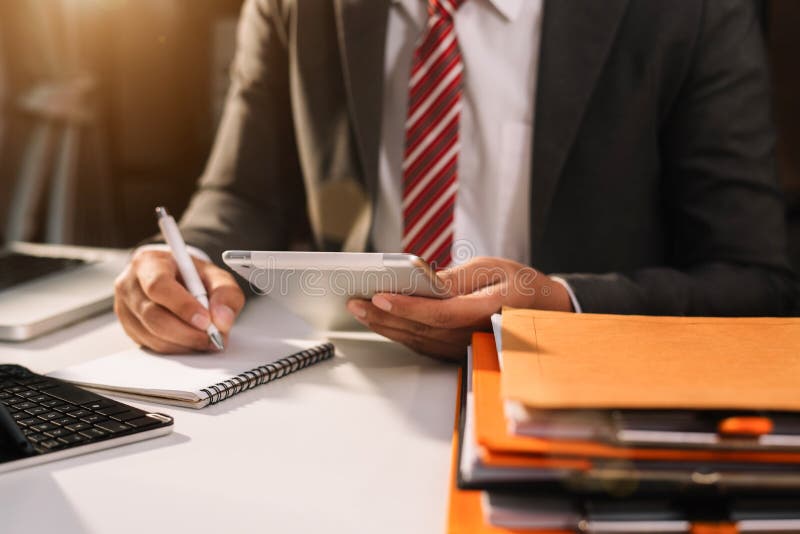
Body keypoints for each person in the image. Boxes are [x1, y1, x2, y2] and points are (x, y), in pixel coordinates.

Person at [114, 0, 798, 359]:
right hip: (349, 379)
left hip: (568, 395)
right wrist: (186, 262)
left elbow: (758, 282)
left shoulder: (688, 11)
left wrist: (563, 302)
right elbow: (239, 196)